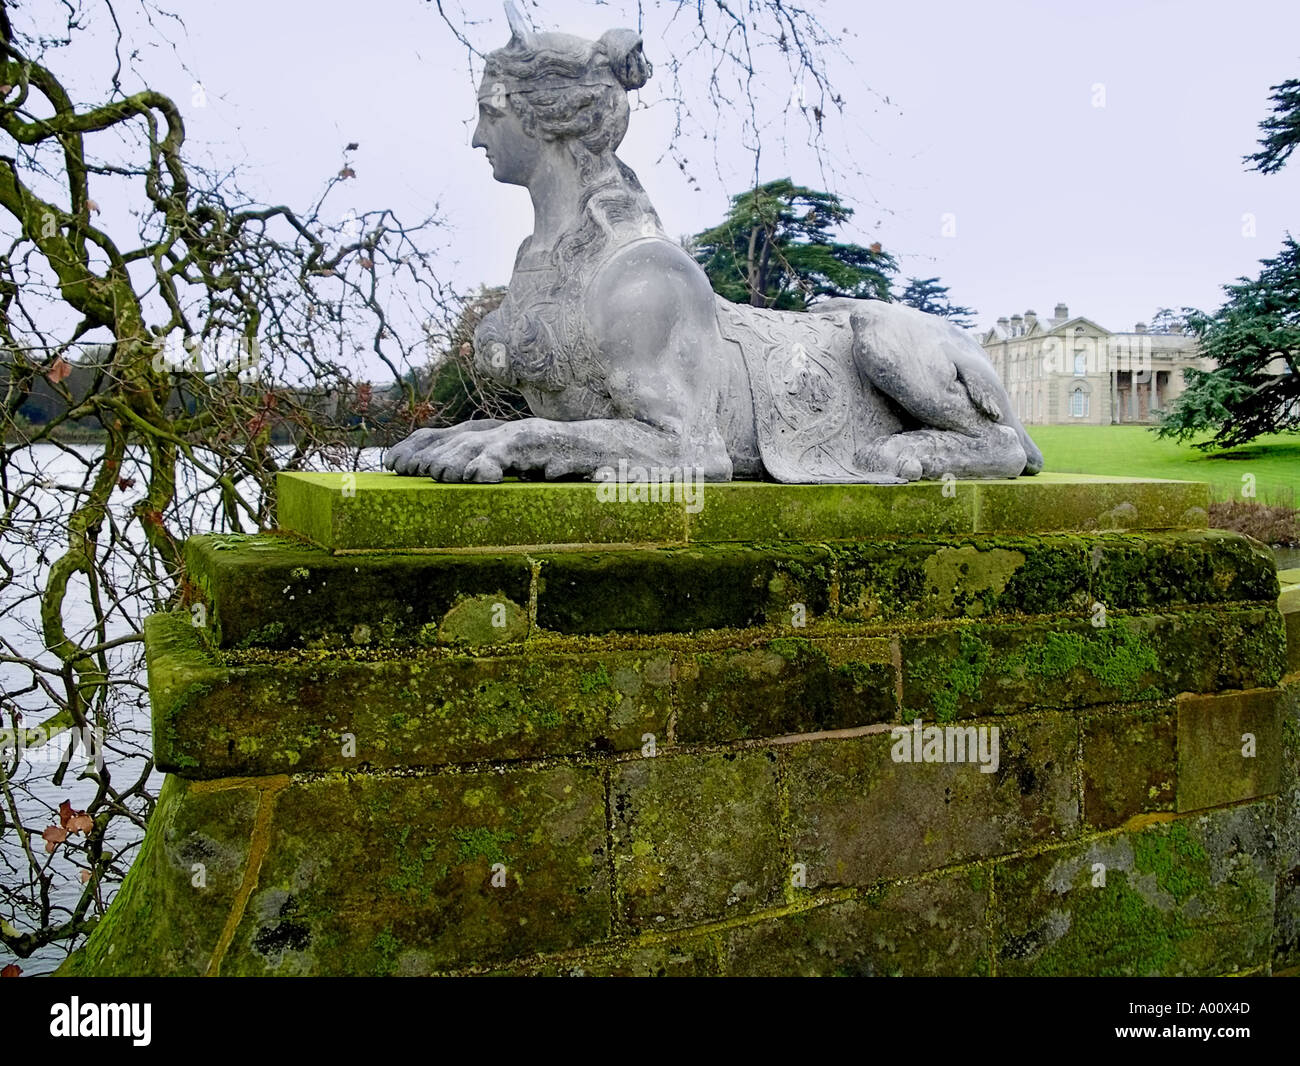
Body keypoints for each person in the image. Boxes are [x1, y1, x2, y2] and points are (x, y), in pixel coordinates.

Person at [386, 3, 1043, 484]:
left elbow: (691, 453)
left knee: (877, 332)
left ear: (547, 117)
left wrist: (525, 440)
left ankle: (990, 445)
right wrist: (483, 433)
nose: (476, 137)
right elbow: (587, 424)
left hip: (848, 365)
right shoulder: (549, 264)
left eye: (490, 113)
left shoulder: (642, 276)